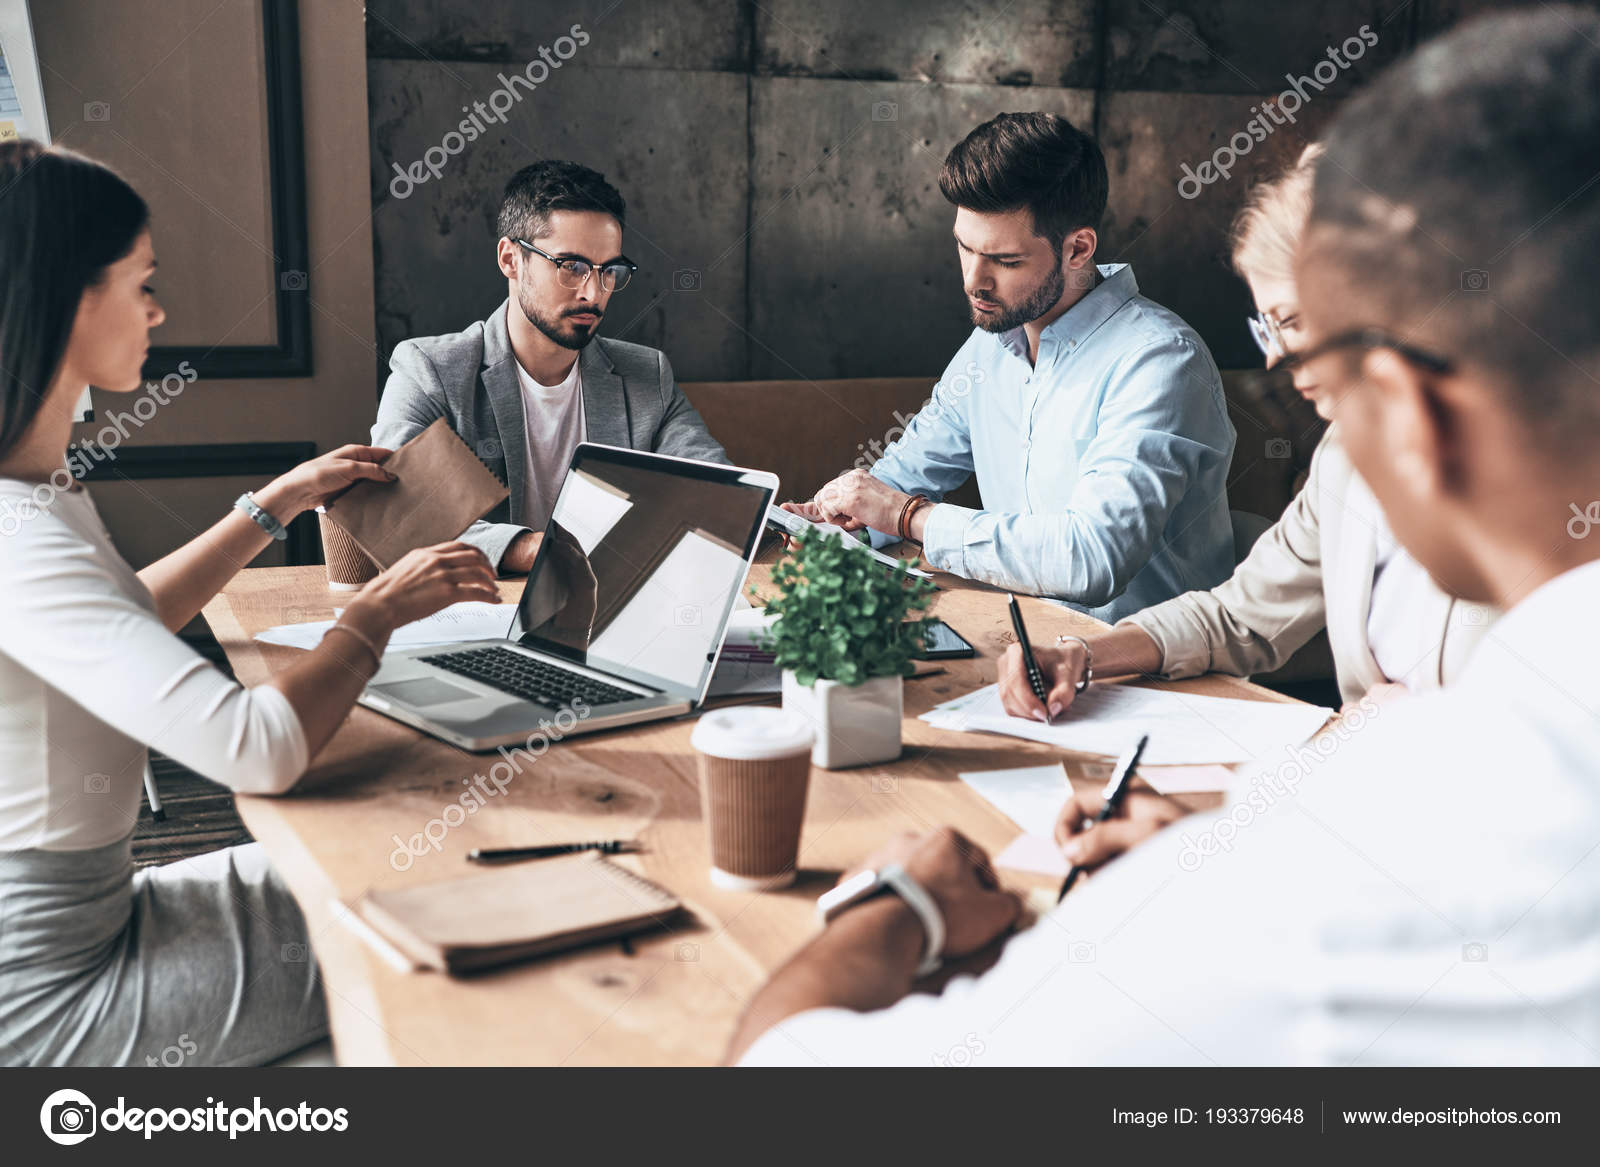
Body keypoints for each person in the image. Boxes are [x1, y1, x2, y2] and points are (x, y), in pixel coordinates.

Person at [729, 7, 1600, 1066]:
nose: (1282, 370)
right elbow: (1244, 614)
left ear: (1415, 411)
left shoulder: (1402, 847)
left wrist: (898, 903)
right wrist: (1193, 775)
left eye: (1304, 340)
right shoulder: (1461, 731)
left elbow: (778, 1076)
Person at [0, 141, 500, 1066]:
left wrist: (275, 502)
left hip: (91, 922)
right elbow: (258, 749)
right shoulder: (17, 539)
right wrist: (373, 615)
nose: (158, 310)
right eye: (142, 282)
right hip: (51, 1000)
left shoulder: (32, 493)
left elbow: (125, 617)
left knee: (434, 861)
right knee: (452, 927)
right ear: (68, 296)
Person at [994, 145, 1497, 868]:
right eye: (1267, 328)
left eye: (1290, 321)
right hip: (1368, 829)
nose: (1273, 358)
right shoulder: (1347, 458)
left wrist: (1404, 739)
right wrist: (1083, 654)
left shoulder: (1543, 482)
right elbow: (1239, 615)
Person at [784, 112, 1236, 623]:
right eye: (964, 247)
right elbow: (905, 476)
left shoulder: (1162, 360)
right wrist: (843, 522)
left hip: (1145, 661)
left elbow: (1093, 558)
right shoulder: (990, 344)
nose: (973, 281)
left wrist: (906, 516)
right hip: (1020, 638)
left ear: (1077, 249)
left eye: (1004, 260)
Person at [373, 160, 727, 576]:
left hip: (611, 604)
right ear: (510, 259)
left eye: (609, 271)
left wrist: (779, 520)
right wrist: (533, 549)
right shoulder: (431, 371)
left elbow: (713, 490)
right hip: (483, 602)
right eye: (571, 267)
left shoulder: (647, 374)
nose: (593, 293)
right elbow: (399, 511)